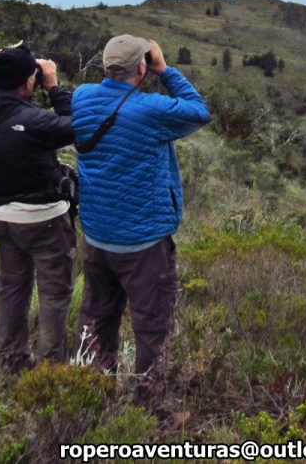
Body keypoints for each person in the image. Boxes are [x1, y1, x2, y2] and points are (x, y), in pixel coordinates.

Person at [71, 35, 210, 407]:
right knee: (152, 326)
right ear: (142, 67)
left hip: (98, 236)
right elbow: (199, 111)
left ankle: (89, 396)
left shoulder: (81, 97)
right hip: (144, 242)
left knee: (96, 318)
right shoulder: (151, 110)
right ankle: (149, 410)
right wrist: (166, 71)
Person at [0, 45, 77, 374]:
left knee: (13, 290)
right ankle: (49, 369)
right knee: (54, 292)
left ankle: (12, 360)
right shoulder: (35, 121)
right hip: (44, 218)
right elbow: (78, 127)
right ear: (29, 82)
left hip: (1, 217)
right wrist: (54, 87)